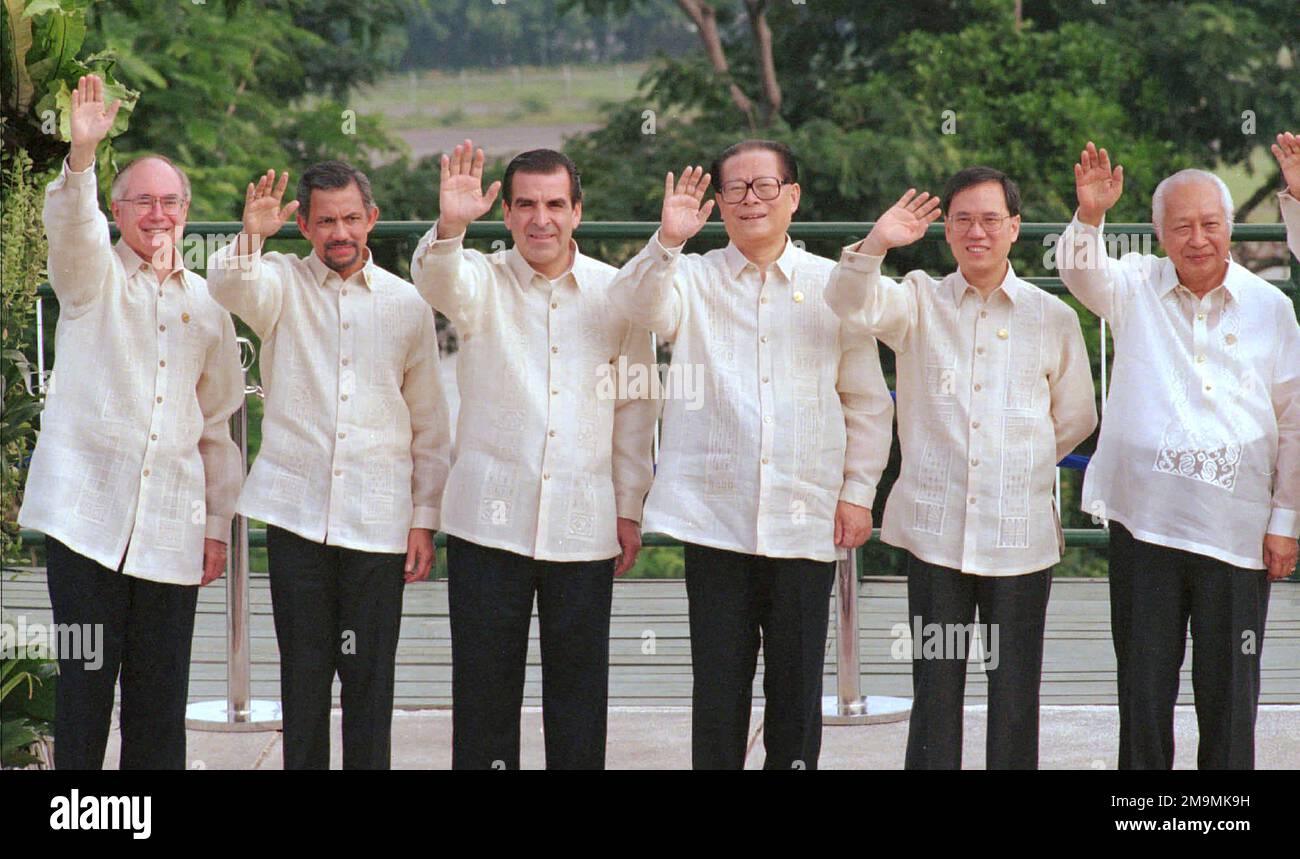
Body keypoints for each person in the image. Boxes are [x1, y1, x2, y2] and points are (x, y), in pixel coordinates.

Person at [609, 140, 894, 769]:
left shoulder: (833, 286)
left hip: (804, 513)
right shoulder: (691, 275)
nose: (749, 200)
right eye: (734, 189)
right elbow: (635, 306)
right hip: (714, 516)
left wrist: (857, 492)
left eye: (764, 186)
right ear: (717, 202)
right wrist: (667, 240)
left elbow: (867, 402)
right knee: (718, 685)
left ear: (792, 196)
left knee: (795, 688)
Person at [825, 168, 1097, 768]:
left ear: (1015, 228)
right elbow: (848, 303)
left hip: (1018, 536)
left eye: (990, 219)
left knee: (1015, 693)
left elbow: (1076, 416)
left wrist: (1012, 464)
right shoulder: (917, 298)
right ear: (945, 228)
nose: (977, 232)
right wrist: (877, 244)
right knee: (936, 689)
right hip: (934, 535)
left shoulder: (1051, 317)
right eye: (963, 219)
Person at [18, 74, 243, 769]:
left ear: (186, 210)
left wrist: (214, 529)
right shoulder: (91, 279)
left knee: (158, 697)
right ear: (118, 210)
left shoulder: (209, 306)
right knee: (84, 690)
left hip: (173, 528)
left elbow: (217, 428)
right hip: (86, 522)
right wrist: (82, 155)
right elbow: (73, 229)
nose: (157, 213)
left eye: (170, 201)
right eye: (142, 200)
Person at [410, 143, 656, 769]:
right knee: (483, 696)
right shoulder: (478, 279)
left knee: (579, 698)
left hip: (584, 520)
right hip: (486, 523)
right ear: (508, 215)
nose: (539, 219)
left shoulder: (618, 294)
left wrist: (629, 507)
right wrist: (451, 227)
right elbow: (436, 279)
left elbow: (634, 411)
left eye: (553, 204)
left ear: (577, 209)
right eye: (524, 205)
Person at [1059, 140, 1300, 769]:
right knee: (1143, 693)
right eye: (1182, 226)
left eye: (1211, 224)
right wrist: (1089, 217)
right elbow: (1080, 274)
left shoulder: (1270, 308)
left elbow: (1295, 422)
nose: (1198, 239)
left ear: (1231, 228)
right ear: (1161, 234)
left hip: (1238, 530)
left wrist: (1284, 521)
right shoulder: (1134, 284)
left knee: (1230, 699)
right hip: (1147, 522)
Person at [206, 160, 451, 769]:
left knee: (371, 681)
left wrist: (424, 518)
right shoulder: (279, 283)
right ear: (307, 228)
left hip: (378, 519)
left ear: (371, 218)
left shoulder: (407, 305)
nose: (339, 232)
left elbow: (428, 420)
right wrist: (252, 237)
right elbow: (228, 286)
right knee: (304, 680)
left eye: (349, 218)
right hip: (296, 516)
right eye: (325, 222)